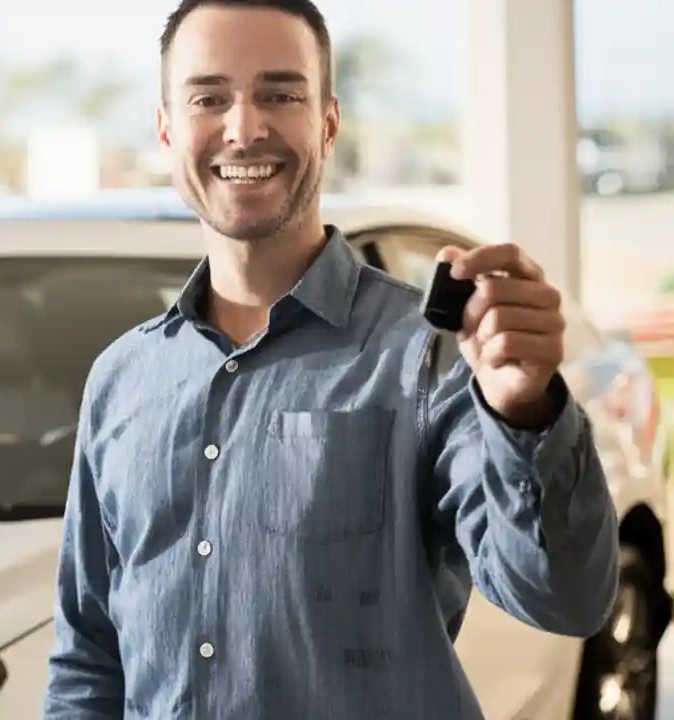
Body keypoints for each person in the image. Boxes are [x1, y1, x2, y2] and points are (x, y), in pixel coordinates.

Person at [42, 0, 620, 717]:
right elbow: (90, 656)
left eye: (280, 94)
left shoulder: (429, 359)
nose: (244, 127)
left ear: (328, 122)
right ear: (166, 126)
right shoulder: (121, 380)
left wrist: (524, 409)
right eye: (208, 97)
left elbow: (564, 598)